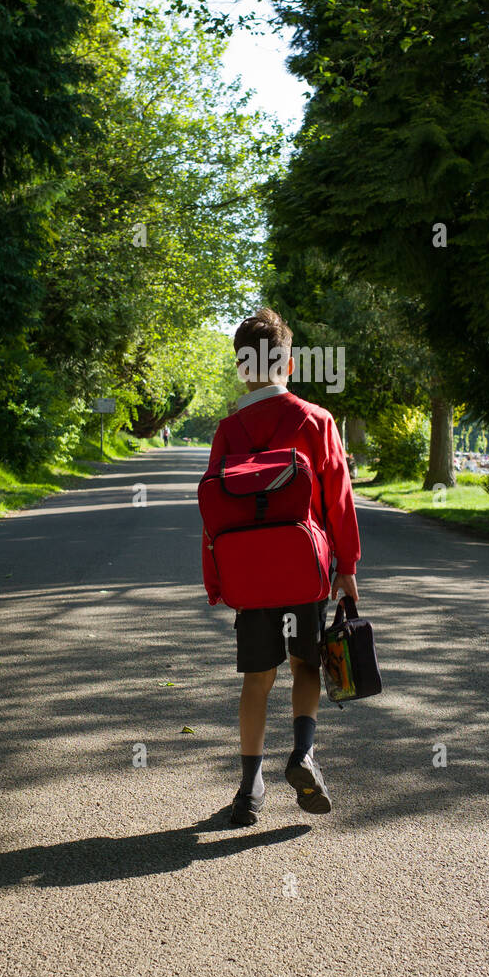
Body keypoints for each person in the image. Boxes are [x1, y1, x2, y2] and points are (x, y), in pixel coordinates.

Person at [201, 308, 361, 827]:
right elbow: (339, 499)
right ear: (289, 365)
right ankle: (303, 754)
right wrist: (348, 566)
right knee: (306, 665)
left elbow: (213, 514)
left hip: (249, 576)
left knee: (255, 677)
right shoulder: (316, 420)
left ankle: (249, 791)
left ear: (241, 367)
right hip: (304, 570)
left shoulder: (228, 429)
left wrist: (217, 578)